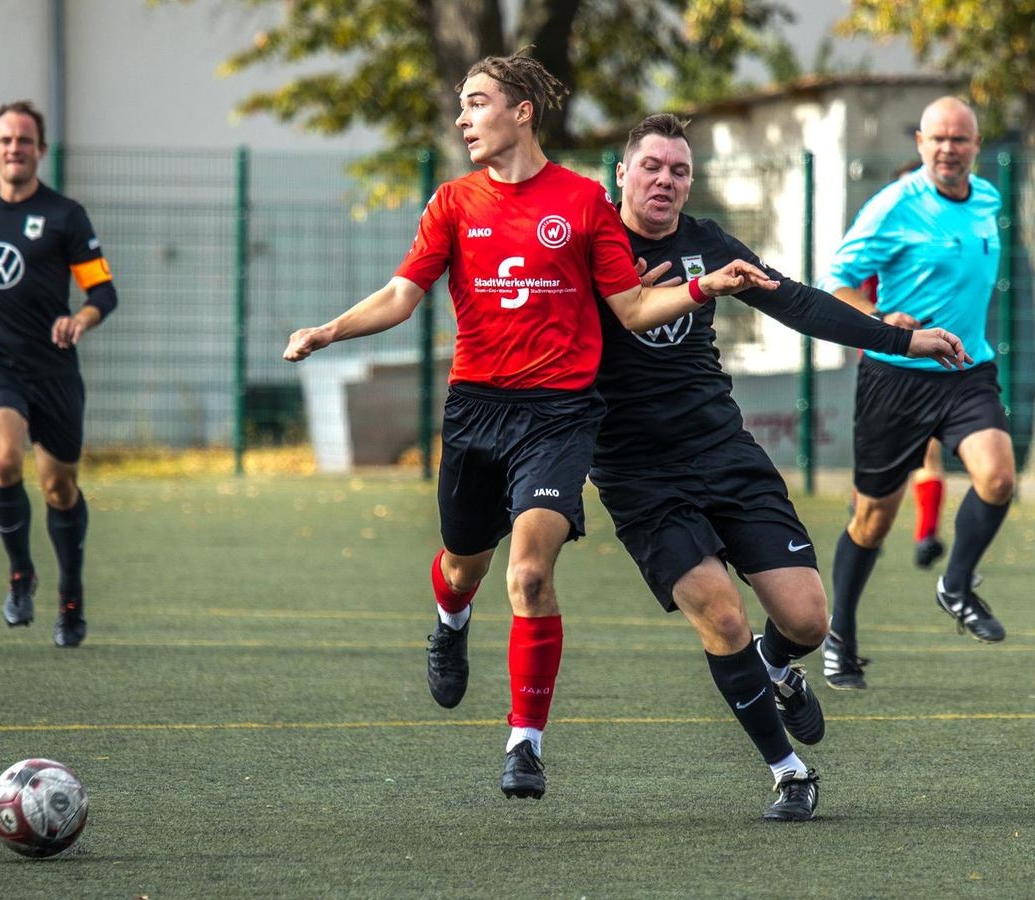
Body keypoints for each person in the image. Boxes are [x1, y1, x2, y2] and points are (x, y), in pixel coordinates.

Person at [281, 53, 775, 801]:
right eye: (461, 104)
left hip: (559, 413)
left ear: (521, 112)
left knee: (531, 572)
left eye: (475, 102)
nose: (462, 118)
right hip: (477, 408)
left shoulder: (582, 203)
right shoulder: (453, 201)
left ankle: (525, 744)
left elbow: (633, 310)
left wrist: (704, 284)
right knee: (464, 566)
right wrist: (329, 330)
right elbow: (400, 295)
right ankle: (450, 619)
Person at [597, 114, 969, 821]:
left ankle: (776, 668)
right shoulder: (589, 246)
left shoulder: (707, 245)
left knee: (805, 618)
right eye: (651, 166)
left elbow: (797, 303)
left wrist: (902, 340)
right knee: (723, 614)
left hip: (722, 451)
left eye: (679, 170)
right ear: (621, 172)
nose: (665, 181)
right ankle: (789, 772)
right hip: (637, 471)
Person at [816, 97, 1014, 692]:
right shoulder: (894, 206)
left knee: (999, 478)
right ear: (922, 143)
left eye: (961, 139)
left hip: (966, 369)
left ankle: (955, 585)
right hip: (895, 376)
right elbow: (835, 282)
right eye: (939, 139)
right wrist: (881, 318)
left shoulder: (988, 199)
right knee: (873, 520)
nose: (950, 149)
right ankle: (839, 637)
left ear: (976, 145)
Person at [0, 100, 118, 649]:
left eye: (25, 140)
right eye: (6, 140)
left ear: (40, 151)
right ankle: (20, 574)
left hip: (53, 369)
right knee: (6, 459)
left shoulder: (65, 216)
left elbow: (102, 290)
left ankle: (72, 595)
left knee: (60, 488)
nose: (15, 148)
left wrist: (81, 317)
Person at [859, 160, 952, 570]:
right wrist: (878, 321)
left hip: (930, 361)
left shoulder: (947, 240)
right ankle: (864, 524)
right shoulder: (879, 238)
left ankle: (926, 536)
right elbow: (855, 296)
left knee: (928, 451)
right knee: (878, 457)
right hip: (882, 362)